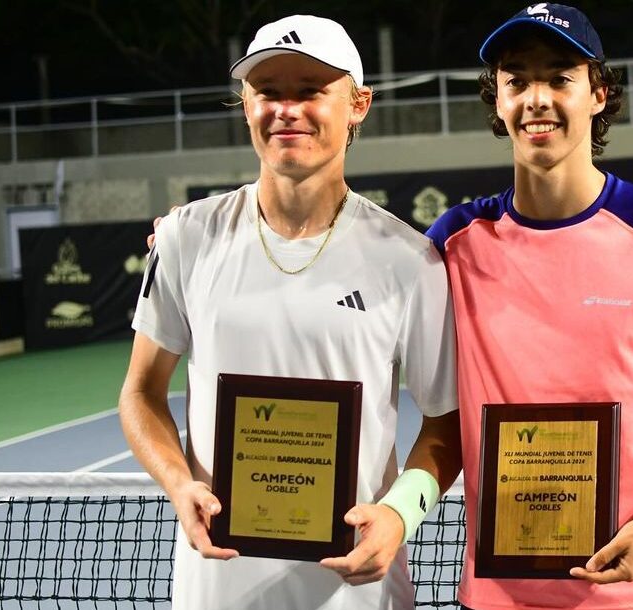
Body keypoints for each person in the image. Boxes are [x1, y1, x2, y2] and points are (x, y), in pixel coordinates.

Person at [424, 4, 633, 610]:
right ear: (497, 101)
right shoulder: (453, 242)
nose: (537, 98)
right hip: (501, 595)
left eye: (559, 77)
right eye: (516, 79)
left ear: (598, 94)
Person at [120, 15, 461, 610]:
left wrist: (399, 515)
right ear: (245, 105)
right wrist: (179, 484)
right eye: (268, 92)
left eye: (310, 91)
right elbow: (141, 393)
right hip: (215, 591)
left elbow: (445, 426)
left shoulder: (411, 262)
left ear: (358, 104)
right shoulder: (185, 238)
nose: (287, 109)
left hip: (358, 594)